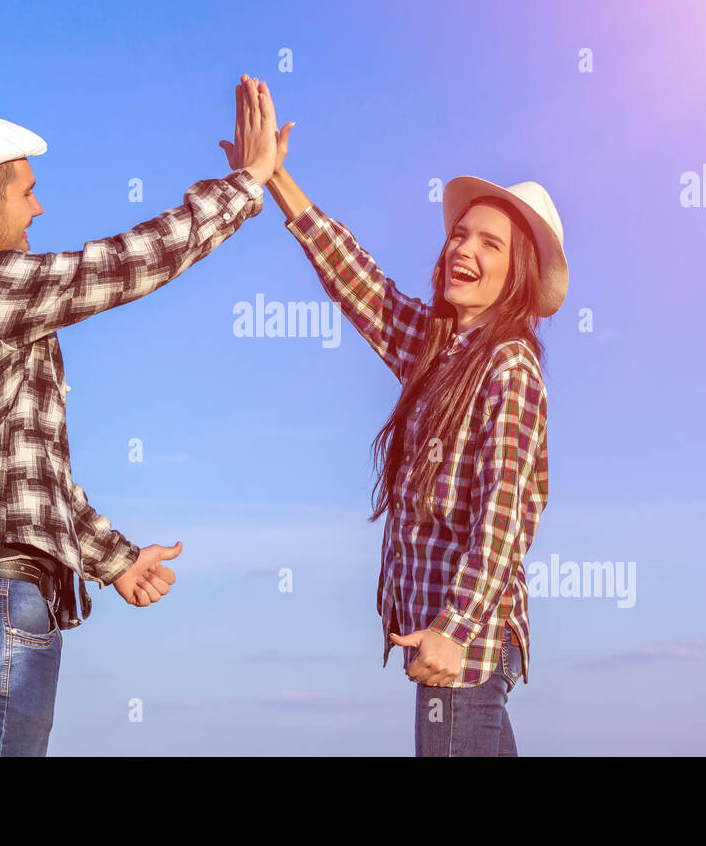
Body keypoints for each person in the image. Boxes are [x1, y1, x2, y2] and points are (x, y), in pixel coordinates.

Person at [0, 75, 280, 755]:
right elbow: (119, 265)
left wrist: (113, 560)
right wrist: (244, 186)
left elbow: (16, 474)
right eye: (26, 193)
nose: (38, 208)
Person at [232, 79, 567, 756]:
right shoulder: (438, 351)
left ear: (519, 273)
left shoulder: (508, 368)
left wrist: (457, 629)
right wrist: (276, 180)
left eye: (490, 245)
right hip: (446, 642)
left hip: (460, 649)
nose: (463, 251)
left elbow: (503, 518)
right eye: (460, 235)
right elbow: (358, 282)